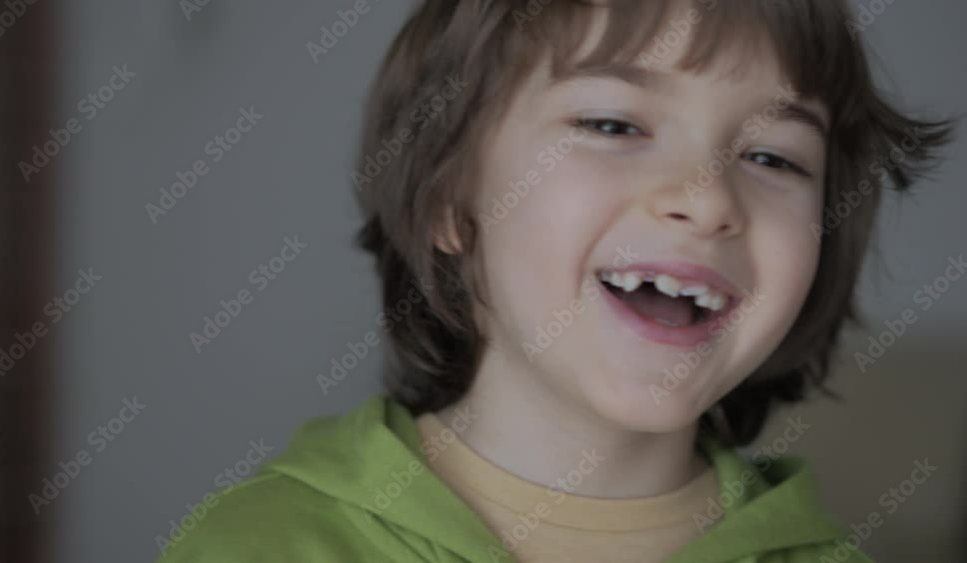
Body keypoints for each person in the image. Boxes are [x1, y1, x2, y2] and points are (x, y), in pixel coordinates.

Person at [159, 1, 953, 561]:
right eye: (614, 125)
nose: (708, 200)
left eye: (773, 157)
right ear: (451, 201)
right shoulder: (257, 544)